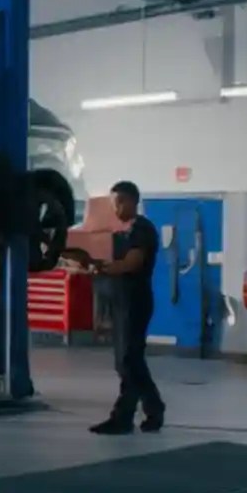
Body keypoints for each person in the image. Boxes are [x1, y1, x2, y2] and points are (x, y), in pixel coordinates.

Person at [80, 181, 165, 435]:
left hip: (135, 302)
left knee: (128, 360)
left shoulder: (141, 229)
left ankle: (124, 417)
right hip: (120, 302)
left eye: (118, 202)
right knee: (128, 361)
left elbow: (131, 263)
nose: (114, 208)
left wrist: (104, 267)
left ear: (131, 201)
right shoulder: (118, 231)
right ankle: (153, 408)